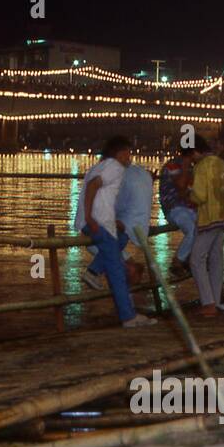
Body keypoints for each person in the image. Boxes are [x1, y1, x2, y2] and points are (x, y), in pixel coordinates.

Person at [75, 136, 157, 328]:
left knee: (118, 251)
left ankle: (93, 272)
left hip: (103, 224)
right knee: (117, 271)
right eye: (129, 153)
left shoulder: (100, 165)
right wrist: (90, 219)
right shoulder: (115, 167)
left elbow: (96, 187)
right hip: (100, 224)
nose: (130, 157)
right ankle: (128, 317)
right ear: (120, 153)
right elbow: (94, 186)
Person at [188, 135, 224, 316]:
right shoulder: (222, 164)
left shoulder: (202, 166)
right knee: (216, 258)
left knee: (196, 259)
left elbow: (200, 195)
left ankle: (208, 303)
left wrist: (189, 193)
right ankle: (215, 300)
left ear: (194, 151)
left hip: (209, 218)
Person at [116, 160, 156, 286]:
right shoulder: (137, 176)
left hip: (124, 224)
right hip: (134, 224)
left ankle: (129, 266)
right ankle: (129, 265)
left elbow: (119, 203)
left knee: (103, 247)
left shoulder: (124, 177)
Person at [159, 147, 197, 278]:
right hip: (174, 207)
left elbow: (190, 188)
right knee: (192, 231)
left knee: (202, 228)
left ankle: (188, 258)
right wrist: (186, 167)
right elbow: (181, 185)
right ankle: (177, 261)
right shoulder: (173, 165)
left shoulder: (191, 167)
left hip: (188, 207)